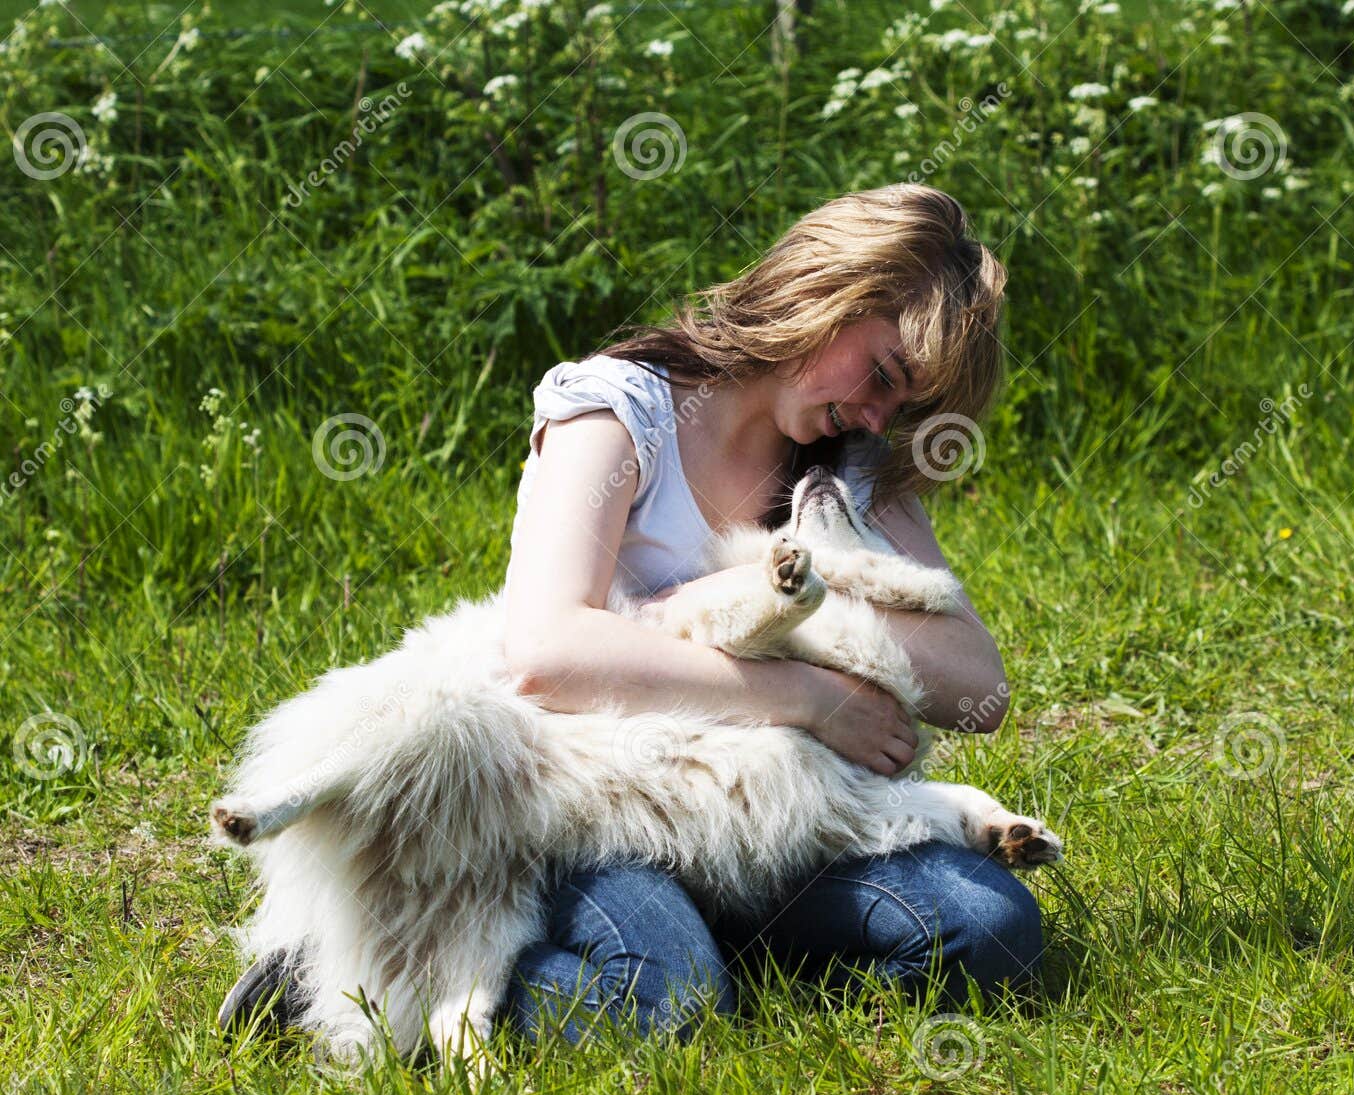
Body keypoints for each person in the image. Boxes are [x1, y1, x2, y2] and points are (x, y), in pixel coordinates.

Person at [219, 184, 1043, 1047]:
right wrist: (811, 694)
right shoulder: (623, 409)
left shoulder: (844, 469)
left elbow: (978, 685)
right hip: (597, 815)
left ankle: (725, 957)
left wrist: (821, 591)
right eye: (882, 374)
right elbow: (548, 649)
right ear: (829, 292)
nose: (879, 415)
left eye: (902, 406)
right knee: (672, 1008)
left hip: (773, 824)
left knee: (993, 928)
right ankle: (351, 981)